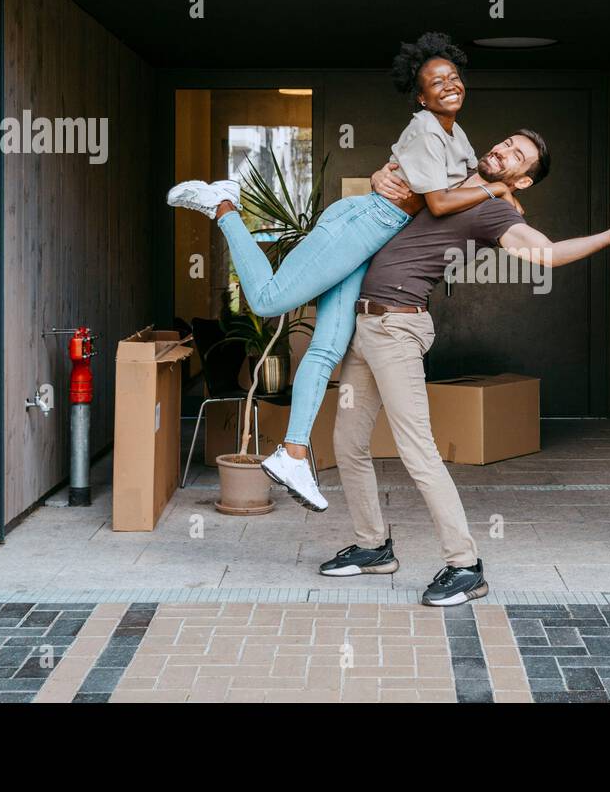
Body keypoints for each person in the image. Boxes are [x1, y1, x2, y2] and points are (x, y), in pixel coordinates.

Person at [167, 34, 516, 511]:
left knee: (327, 348)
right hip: (361, 226)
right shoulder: (424, 127)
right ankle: (225, 203)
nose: (449, 85)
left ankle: (292, 453)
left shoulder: (457, 136)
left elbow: (463, 186)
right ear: (421, 95)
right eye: (436, 82)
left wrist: (501, 187)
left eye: (454, 77)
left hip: (373, 241)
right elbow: (439, 201)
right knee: (269, 299)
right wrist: (496, 191)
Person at [321, 131, 610, 606]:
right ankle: (373, 546)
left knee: (418, 451)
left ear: (522, 180)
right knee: (348, 443)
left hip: (398, 327)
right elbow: (396, 174)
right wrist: (380, 175)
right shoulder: (450, 183)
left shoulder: (495, 211)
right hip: (366, 324)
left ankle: (465, 565)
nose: (504, 151)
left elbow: (547, 253)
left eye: (519, 157)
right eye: (507, 143)